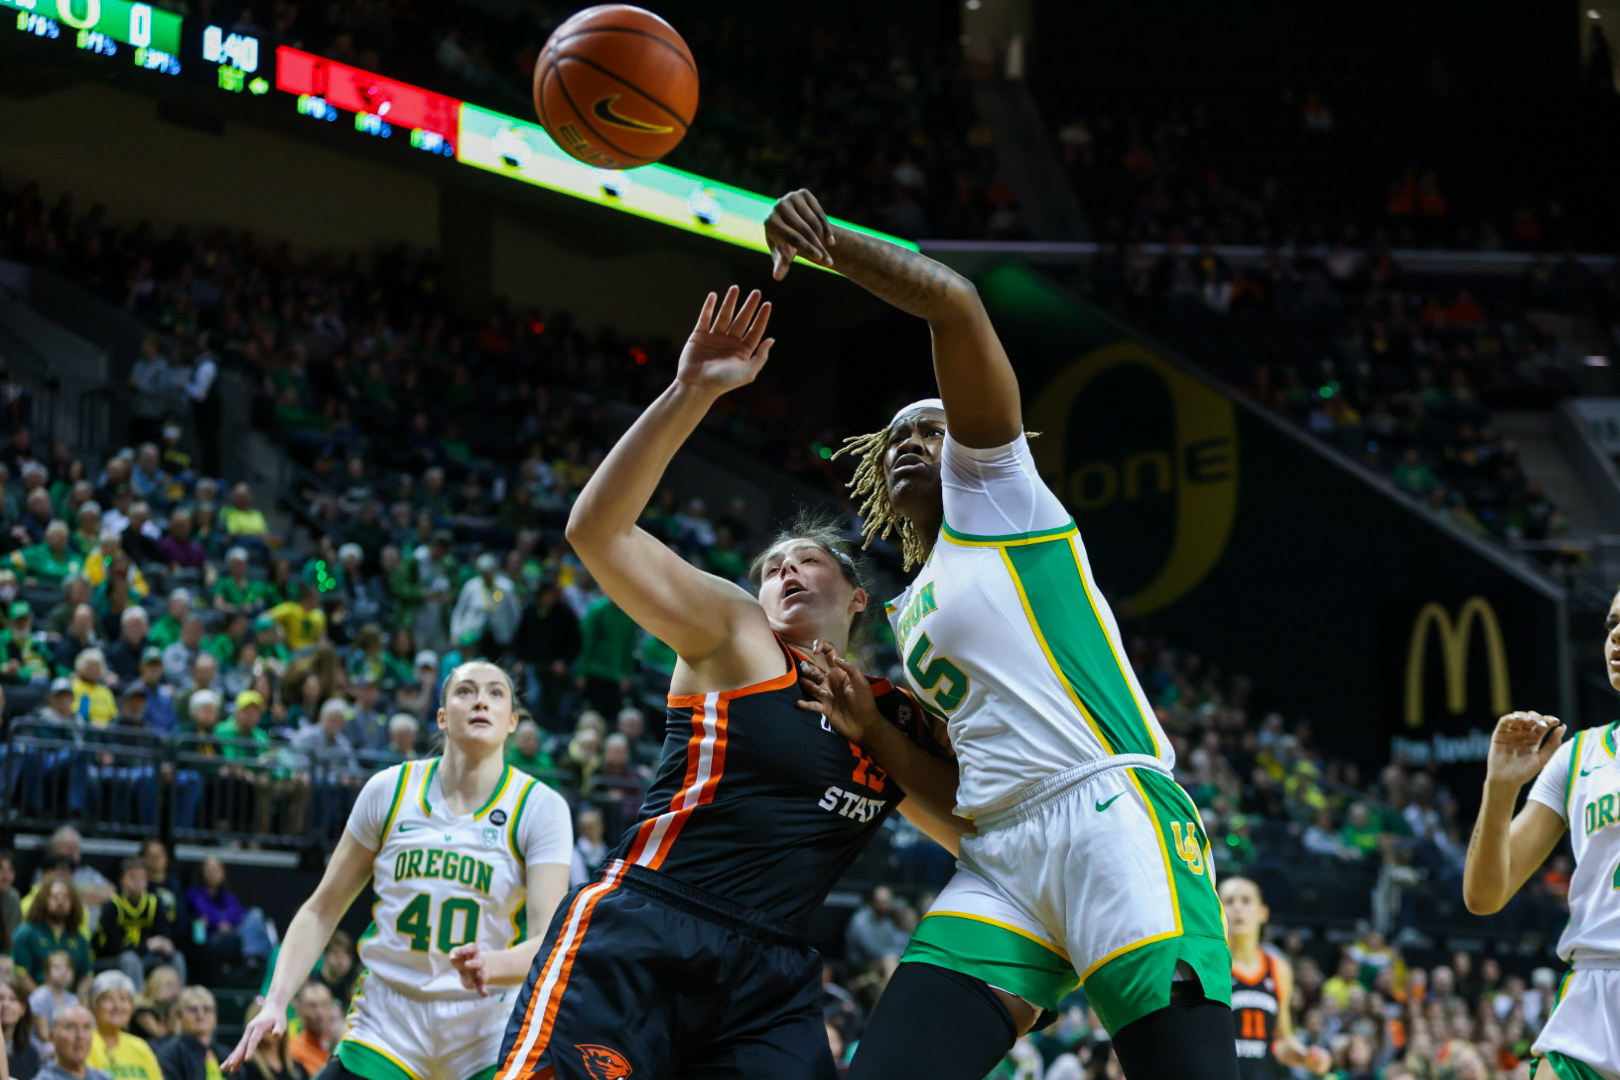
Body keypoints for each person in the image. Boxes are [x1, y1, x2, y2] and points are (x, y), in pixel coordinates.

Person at [765, 189, 1236, 1080]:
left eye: (933, 427)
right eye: (896, 434)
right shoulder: (914, 613)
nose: (911, 439)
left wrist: (833, 244)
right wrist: (869, 729)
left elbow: (955, 304)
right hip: (1000, 857)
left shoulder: (1004, 502)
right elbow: (954, 806)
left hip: (1110, 817)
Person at [491, 285, 964, 1080]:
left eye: (803, 560)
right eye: (770, 566)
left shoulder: (893, 713)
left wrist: (882, 735)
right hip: (649, 926)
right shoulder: (738, 635)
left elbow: (960, 830)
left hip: (770, 977)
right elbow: (594, 531)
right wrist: (692, 390)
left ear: (856, 598)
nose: (781, 572)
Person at [224, 660, 574, 1080]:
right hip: (386, 1029)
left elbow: (549, 941)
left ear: (513, 721)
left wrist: (494, 964)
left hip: (485, 1033)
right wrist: (276, 1000)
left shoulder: (540, 807)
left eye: (496, 693)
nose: (481, 700)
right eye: (466, 691)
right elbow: (322, 910)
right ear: (442, 717)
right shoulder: (389, 790)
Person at [1461, 593, 1620, 1080]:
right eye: (1613, 623)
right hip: (1593, 995)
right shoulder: (1577, 756)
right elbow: (1484, 895)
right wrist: (1501, 786)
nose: (1616, 636)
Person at [1219, 878, 1331, 1078]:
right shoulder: (1211, 965)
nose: (1237, 908)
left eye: (1246, 901)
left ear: (1263, 912)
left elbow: (1281, 1041)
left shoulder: (1279, 968)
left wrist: (1307, 1057)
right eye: (1229, 901)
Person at [92, 859, 184, 987]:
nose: (139, 883)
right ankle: (137, 1003)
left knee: (176, 957)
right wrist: (148, 945)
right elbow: (114, 948)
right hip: (110, 960)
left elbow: (163, 936)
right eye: (133, 878)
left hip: (144, 956)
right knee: (130, 959)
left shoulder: (154, 902)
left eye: (142, 878)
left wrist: (164, 945)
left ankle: (179, 1001)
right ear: (122, 880)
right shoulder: (112, 906)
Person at [13, 882, 91, 992]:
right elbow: (20, 973)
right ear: (43, 900)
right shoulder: (26, 933)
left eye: (66, 897)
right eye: (55, 896)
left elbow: (86, 976)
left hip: (70, 1001)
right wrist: (43, 1000)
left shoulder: (80, 938)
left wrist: (78, 1000)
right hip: (34, 1001)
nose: (60, 901)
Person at [84, 972, 161, 1080]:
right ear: (94, 1006)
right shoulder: (83, 1043)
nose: (117, 1006)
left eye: (124, 999)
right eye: (109, 999)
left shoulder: (140, 1047)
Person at [154, 987, 230, 1080]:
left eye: (207, 1009)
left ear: (215, 1017)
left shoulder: (225, 1054)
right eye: (193, 1009)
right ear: (180, 1018)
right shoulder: (170, 1053)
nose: (201, 1015)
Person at [231, 1003, 304, 1080]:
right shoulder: (243, 1068)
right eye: (263, 1021)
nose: (269, 1026)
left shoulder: (298, 1070)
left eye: (273, 1021)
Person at [36, 1005, 109, 1080]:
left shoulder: (103, 1077)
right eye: (71, 1027)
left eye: (86, 1027)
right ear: (52, 1037)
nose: (80, 1035)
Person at [1, 979, 41, 1080]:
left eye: (13, 999)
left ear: (23, 1009)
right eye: (0, 998)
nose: (5, 1005)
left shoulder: (31, 1053)